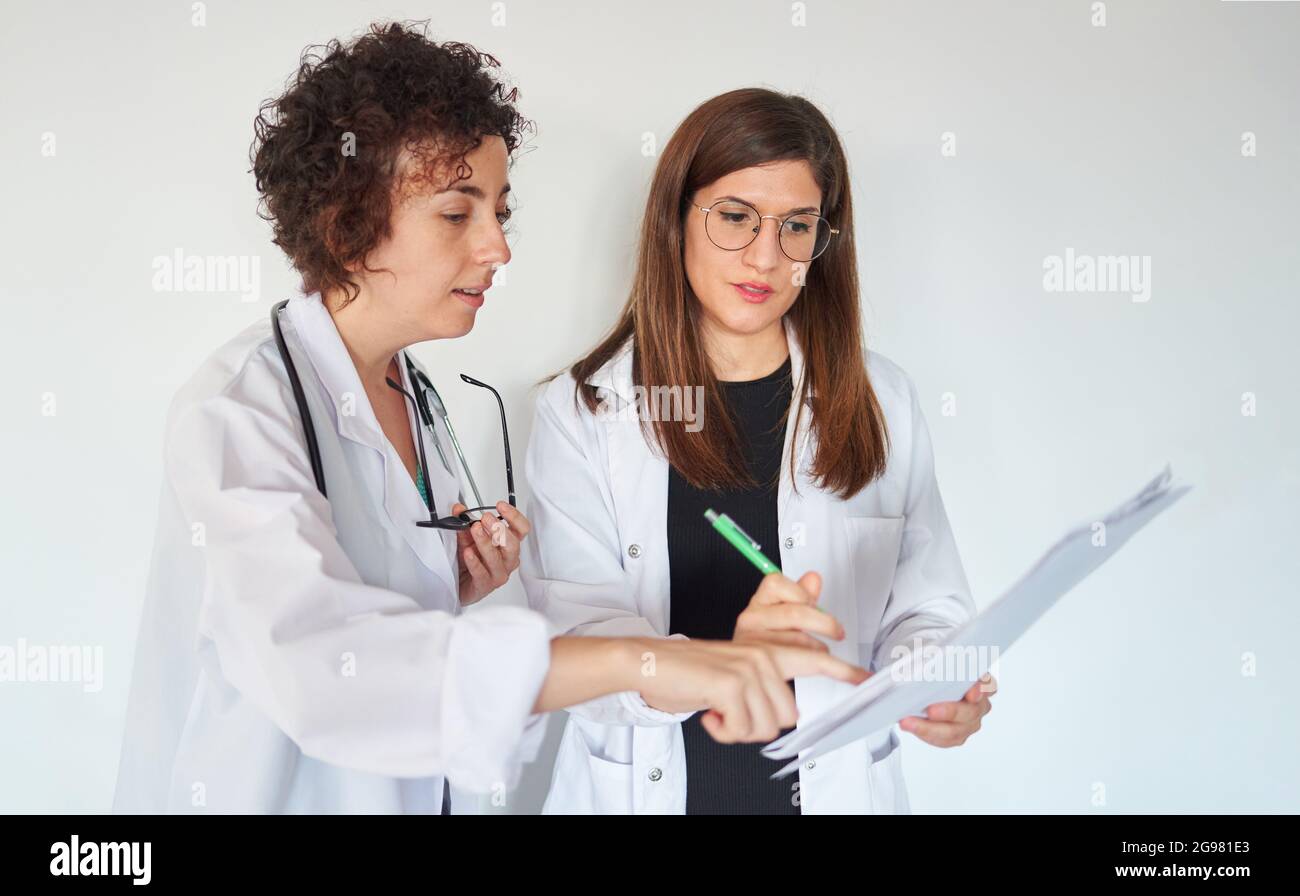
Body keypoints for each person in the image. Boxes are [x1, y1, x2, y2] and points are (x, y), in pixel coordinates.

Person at [112, 26, 867, 815]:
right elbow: (326, 664)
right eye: (455, 214)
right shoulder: (237, 409)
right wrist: (650, 661)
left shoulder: (414, 393)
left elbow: (386, 612)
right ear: (346, 225)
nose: (499, 247)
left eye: (500, 211)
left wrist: (455, 583)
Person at [521, 88, 997, 815]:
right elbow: (576, 640)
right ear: (675, 217)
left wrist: (931, 676)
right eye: (736, 217)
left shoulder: (881, 398)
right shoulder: (584, 410)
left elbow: (926, 604)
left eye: (797, 226)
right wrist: (726, 661)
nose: (766, 257)